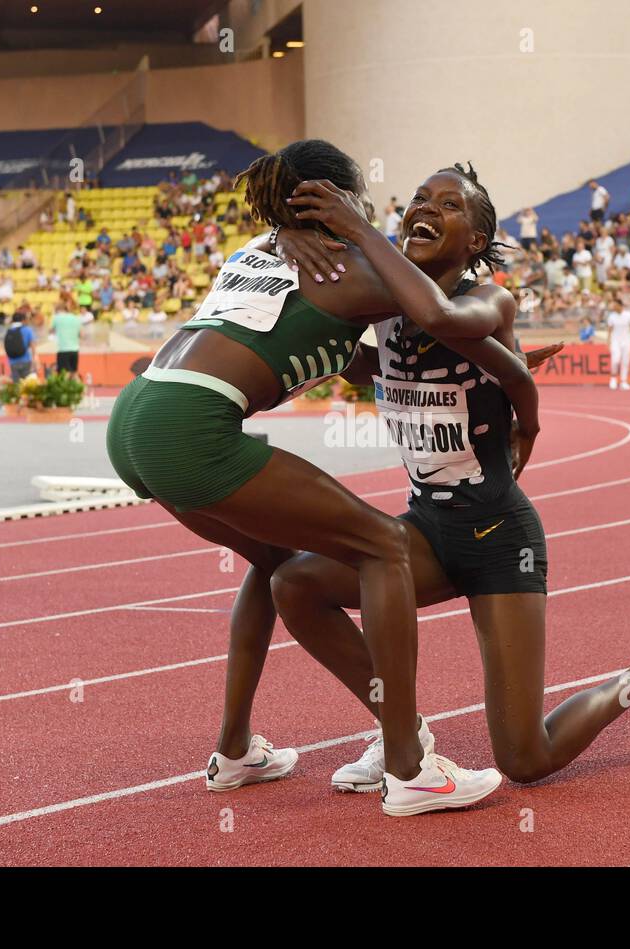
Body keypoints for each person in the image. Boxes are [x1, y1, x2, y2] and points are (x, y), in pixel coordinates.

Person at [105, 141, 539, 815]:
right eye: (361, 197)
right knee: (383, 547)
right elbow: (433, 314)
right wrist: (360, 232)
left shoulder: (264, 244)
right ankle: (409, 765)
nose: (375, 209)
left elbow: (377, 358)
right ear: (332, 200)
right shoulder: (358, 264)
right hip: (191, 427)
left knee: (275, 559)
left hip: (136, 415)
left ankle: (236, 749)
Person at [267, 168, 630, 793]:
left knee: (525, 760)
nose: (425, 208)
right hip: (425, 531)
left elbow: (442, 318)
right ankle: (401, 734)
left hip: (499, 541)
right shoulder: (384, 302)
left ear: (475, 241)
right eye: (418, 199)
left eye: (448, 205)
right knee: (295, 584)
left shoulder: (490, 300)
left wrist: (530, 422)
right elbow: (357, 361)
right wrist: (288, 242)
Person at [606, 294, 630, 390]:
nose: (613, 307)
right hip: (615, 341)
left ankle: (624, 381)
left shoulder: (629, 315)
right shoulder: (611, 316)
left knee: (625, 361)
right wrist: (608, 341)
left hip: (626, 341)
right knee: (615, 360)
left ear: (620, 306)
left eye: (615, 305)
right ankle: (613, 378)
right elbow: (609, 330)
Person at [50, 298, 85, 376]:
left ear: (57, 309)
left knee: (64, 374)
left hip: (63, 349)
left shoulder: (56, 318)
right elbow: (82, 334)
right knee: (74, 373)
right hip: (74, 349)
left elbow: (50, 331)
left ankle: (64, 388)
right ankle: (82, 388)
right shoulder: (76, 318)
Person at [4, 312, 36, 380]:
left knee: (16, 385)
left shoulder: (9, 331)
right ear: (23, 320)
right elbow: (32, 345)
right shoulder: (27, 330)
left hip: (12, 361)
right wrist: (34, 359)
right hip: (25, 360)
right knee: (26, 384)